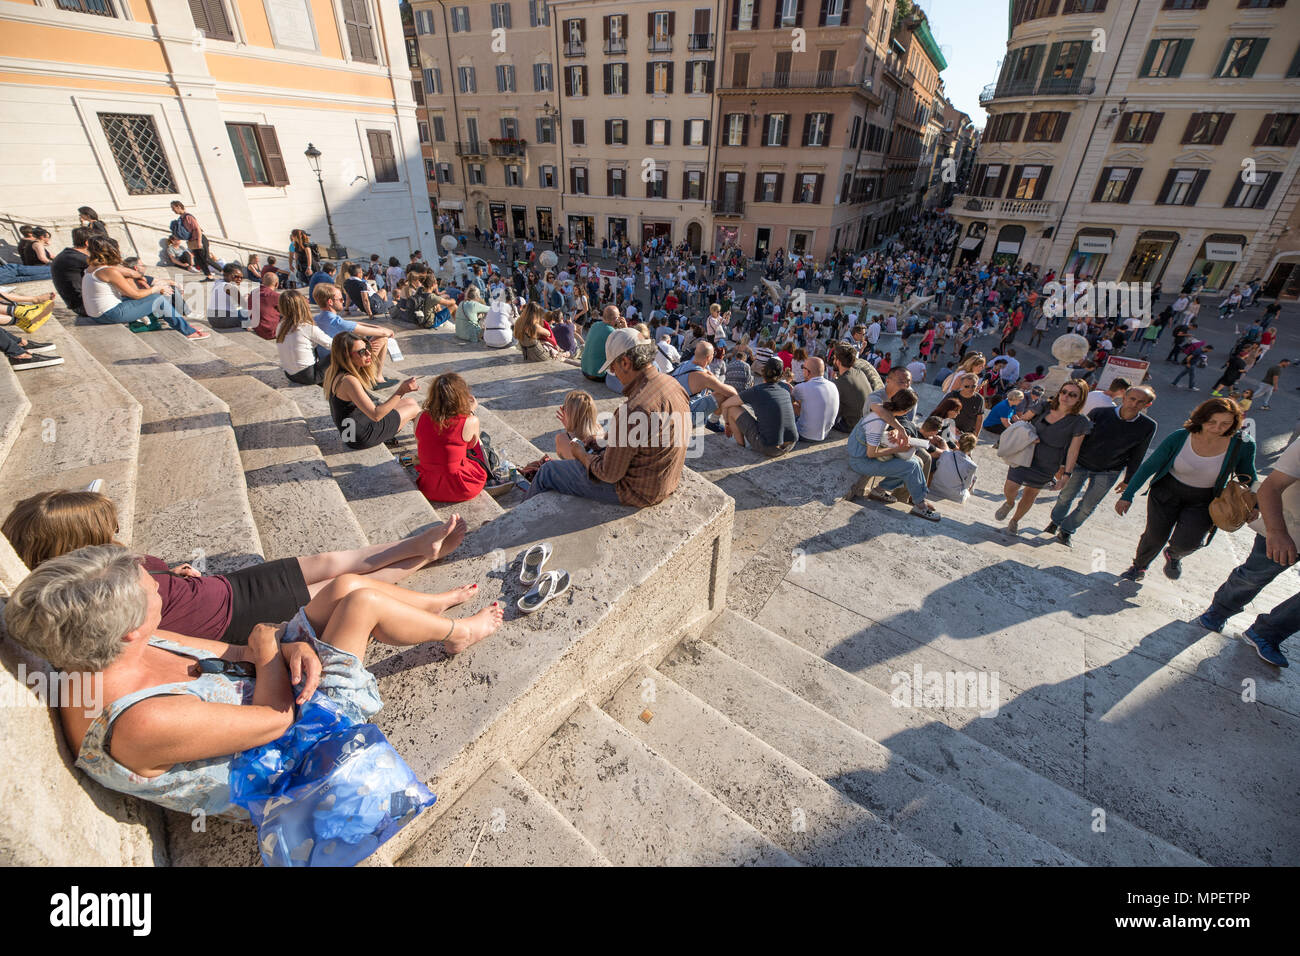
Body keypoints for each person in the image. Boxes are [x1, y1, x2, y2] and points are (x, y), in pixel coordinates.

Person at [2, 544, 504, 820]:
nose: (162, 586)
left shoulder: (116, 647)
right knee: (361, 604)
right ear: (132, 626)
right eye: (152, 589)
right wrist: (271, 657)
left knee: (346, 586)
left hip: (268, 683)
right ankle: (461, 633)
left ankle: (431, 609)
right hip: (294, 749)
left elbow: (241, 649)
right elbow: (272, 722)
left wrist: (283, 648)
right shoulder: (136, 721)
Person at [4, 488, 476, 643]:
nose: (114, 533)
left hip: (222, 587)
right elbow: (154, 637)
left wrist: (180, 572)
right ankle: (425, 557)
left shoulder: (106, 560)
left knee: (332, 560)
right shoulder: (101, 591)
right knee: (347, 584)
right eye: (102, 530)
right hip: (234, 616)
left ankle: (416, 544)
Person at [523, 328, 690, 507]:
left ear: (625, 363)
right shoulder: (674, 385)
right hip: (665, 482)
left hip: (637, 491)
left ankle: (515, 526)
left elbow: (609, 474)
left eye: (613, 365)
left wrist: (581, 455)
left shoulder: (634, 409)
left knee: (547, 471)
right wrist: (602, 441)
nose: (612, 371)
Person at [1116, 397, 1257, 583]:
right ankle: (1138, 567)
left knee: (1189, 542)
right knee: (1155, 535)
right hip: (1167, 491)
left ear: (1234, 423)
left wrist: (1257, 506)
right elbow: (1149, 466)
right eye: (1212, 422)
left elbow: (1250, 476)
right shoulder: (1180, 436)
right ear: (1201, 418)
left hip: (1205, 499)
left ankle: (1174, 555)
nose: (1217, 428)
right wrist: (1128, 495)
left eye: (1225, 424)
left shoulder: (1243, 444)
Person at [1198, 436, 1300, 667]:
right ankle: (1220, 610)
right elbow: (1270, 488)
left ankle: (1267, 634)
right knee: (1254, 576)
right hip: (1287, 527)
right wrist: (1277, 532)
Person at [1046, 386, 1157, 547]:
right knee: (1066, 496)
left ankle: (1067, 531)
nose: (1134, 404)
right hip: (1081, 462)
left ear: (1147, 405)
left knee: (1089, 505)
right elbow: (1076, 439)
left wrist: (1128, 479)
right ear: (1124, 397)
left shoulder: (1148, 425)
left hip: (1110, 469)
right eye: (1132, 399)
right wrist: (1063, 464)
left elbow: (1138, 453)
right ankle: (1055, 522)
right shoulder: (1100, 413)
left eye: (1140, 402)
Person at [995, 380, 1092, 535]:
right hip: (1026, 453)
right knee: (1011, 486)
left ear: (1079, 399)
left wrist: (1066, 474)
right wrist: (1028, 436)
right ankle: (1009, 502)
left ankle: (1015, 520)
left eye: (1072, 395)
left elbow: (1074, 450)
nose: (1066, 397)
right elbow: (1022, 422)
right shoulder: (1044, 406)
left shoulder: (1080, 422)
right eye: (1064, 392)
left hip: (1049, 461)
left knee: (1030, 493)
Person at [845, 388, 942, 521]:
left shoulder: (884, 411)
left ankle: (880, 491)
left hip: (860, 454)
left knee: (916, 462)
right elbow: (871, 453)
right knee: (910, 467)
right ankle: (920, 505)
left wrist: (895, 431)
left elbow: (886, 425)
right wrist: (898, 449)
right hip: (860, 461)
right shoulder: (879, 422)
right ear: (906, 411)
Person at [81, 238, 207, 339]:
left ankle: (181, 323)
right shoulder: (109, 271)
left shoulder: (91, 268)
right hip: (109, 314)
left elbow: (129, 273)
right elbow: (135, 295)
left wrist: (136, 275)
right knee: (158, 299)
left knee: (148, 296)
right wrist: (157, 288)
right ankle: (188, 331)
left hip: (97, 313)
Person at [324, 332, 421, 450]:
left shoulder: (334, 372)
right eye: (362, 352)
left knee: (410, 401)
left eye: (367, 348)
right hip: (360, 437)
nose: (369, 353)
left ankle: (422, 446)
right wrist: (401, 390)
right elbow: (376, 415)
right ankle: (424, 452)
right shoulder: (349, 381)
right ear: (347, 356)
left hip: (350, 433)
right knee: (414, 409)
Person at [415, 373, 489, 503]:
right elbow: (471, 446)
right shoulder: (470, 420)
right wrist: (470, 412)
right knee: (482, 446)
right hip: (462, 487)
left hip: (429, 487)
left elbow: (421, 442)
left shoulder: (420, 417)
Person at [717, 357, 798, 457]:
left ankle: (740, 448)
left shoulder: (757, 390)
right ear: (781, 375)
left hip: (770, 448)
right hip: (791, 444)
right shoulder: (785, 389)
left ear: (763, 372)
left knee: (732, 409)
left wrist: (728, 424)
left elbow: (725, 404)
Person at [671, 340, 739, 433]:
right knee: (722, 394)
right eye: (713, 354)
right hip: (685, 417)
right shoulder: (704, 377)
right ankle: (713, 423)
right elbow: (733, 393)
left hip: (673, 411)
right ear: (708, 358)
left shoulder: (684, 364)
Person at [273, 289, 330, 385]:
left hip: (290, 374)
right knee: (340, 351)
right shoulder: (305, 326)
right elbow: (332, 344)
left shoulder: (280, 325)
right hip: (309, 376)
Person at [311, 283, 393, 341]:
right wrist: (387, 331)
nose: (343, 302)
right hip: (340, 361)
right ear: (330, 302)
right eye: (340, 299)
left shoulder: (315, 319)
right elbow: (381, 333)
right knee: (382, 339)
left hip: (326, 359)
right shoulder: (337, 322)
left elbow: (352, 323)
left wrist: (377, 327)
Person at [792, 356, 839, 442]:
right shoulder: (833, 385)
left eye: (803, 368)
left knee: (790, 404)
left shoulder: (801, 387)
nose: (802, 370)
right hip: (825, 433)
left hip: (805, 435)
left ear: (808, 372)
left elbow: (791, 402)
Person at [49, 227, 91, 316]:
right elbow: (114, 271)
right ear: (87, 243)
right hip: (84, 307)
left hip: (77, 304)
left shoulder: (67, 254)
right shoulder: (80, 258)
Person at [552, 390, 605, 460]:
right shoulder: (599, 429)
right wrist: (569, 429)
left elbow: (565, 457)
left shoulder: (561, 438)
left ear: (569, 413)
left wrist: (569, 432)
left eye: (564, 408)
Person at [168, 201, 213, 279]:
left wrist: (199, 242)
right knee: (199, 260)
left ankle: (223, 271)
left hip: (199, 239)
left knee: (206, 258)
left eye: (173, 208)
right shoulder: (181, 218)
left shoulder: (188, 217)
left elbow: (198, 229)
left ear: (178, 206)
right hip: (192, 241)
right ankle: (209, 276)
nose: (173, 210)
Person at [581, 305, 621, 381]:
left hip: (584, 371)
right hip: (598, 375)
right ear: (615, 319)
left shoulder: (594, 325)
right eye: (619, 316)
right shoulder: (612, 332)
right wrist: (625, 328)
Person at [207, 263, 251, 328]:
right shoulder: (229, 287)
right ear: (226, 275)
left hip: (212, 320)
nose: (239, 279)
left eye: (241, 277)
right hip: (223, 320)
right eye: (236, 276)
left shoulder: (218, 283)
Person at [248, 272, 282, 340]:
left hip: (257, 329)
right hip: (270, 332)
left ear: (263, 281)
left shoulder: (254, 292)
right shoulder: (275, 296)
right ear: (276, 284)